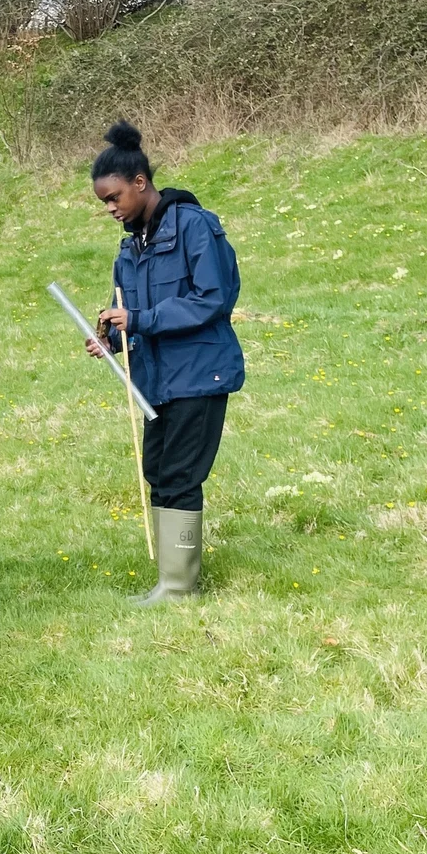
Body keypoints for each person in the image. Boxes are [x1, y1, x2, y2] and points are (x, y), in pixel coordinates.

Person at [86, 121, 245, 603]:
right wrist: (112, 339)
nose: (110, 209)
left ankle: (179, 587)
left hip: (199, 374)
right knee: (157, 467)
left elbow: (212, 298)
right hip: (155, 380)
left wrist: (140, 317)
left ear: (140, 182)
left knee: (179, 474)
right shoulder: (129, 248)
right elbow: (130, 314)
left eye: (114, 198)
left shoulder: (195, 225)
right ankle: (170, 579)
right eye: (103, 203)